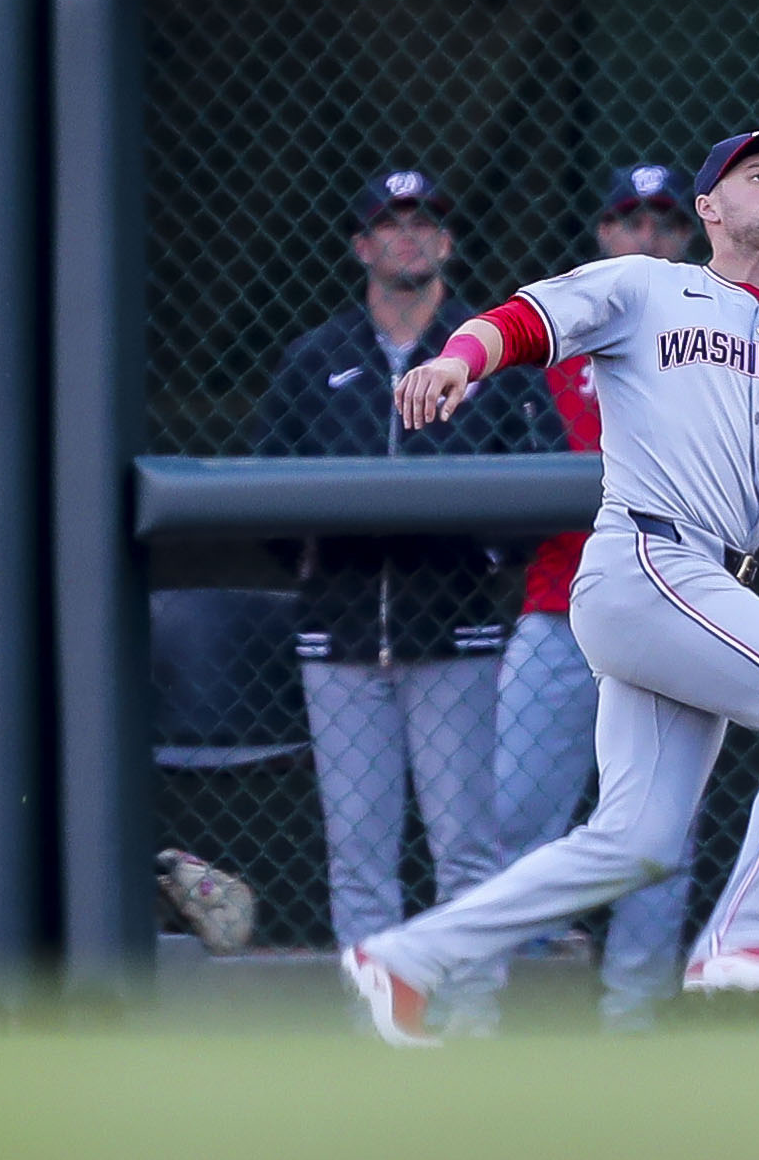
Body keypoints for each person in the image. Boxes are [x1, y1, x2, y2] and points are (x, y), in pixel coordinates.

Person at [340, 123, 759, 1045]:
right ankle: (738, 932)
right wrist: (458, 357)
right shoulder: (648, 284)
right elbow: (526, 319)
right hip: (650, 558)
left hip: (690, 586)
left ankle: (408, 956)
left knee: (636, 843)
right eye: (758, 174)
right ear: (707, 208)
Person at [247, 168, 557, 1027]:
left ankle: (473, 1024)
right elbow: (260, 487)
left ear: (448, 242)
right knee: (358, 855)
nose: (409, 236)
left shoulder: (487, 349)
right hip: (341, 637)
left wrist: (484, 552)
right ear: (361, 246)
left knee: (464, 848)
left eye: (424, 221)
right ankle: (381, 1030)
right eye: (390, 222)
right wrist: (310, 556)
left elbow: (546, 473)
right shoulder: (317, 359)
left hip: (453, 630)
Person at [502, 162, 701, 1032]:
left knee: (662, 838)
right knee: (511, 817)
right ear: (603, 236)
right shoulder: (559, 328)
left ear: (688, 237)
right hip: (558, 604)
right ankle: (505, 1006)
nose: (647, 236)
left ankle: (634, 1028)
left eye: (663, 220)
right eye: (629, 219)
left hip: (672, 611)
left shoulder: (721, 334)